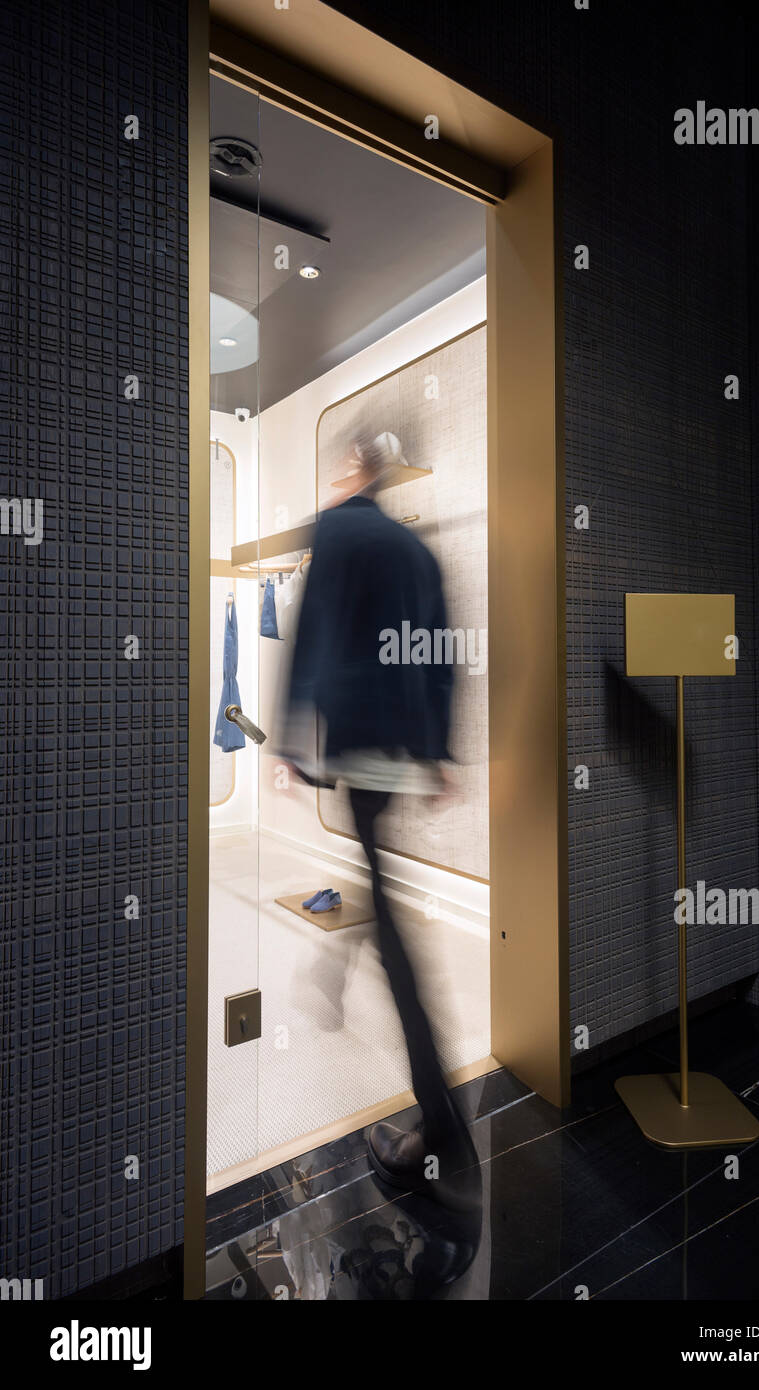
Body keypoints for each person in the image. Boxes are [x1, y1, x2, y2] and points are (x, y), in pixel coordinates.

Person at [280, 429, 478, 1208]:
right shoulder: (415, 548)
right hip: (402, 748)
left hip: (357, 740)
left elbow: (311, 635)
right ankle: (343, 962)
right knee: (376, 873)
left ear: (355, 470)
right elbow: (443, 649)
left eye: (340, 466)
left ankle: (441, 1117)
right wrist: (439, 752)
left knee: (390, 917)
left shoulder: (334, 529)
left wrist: (292, 734)